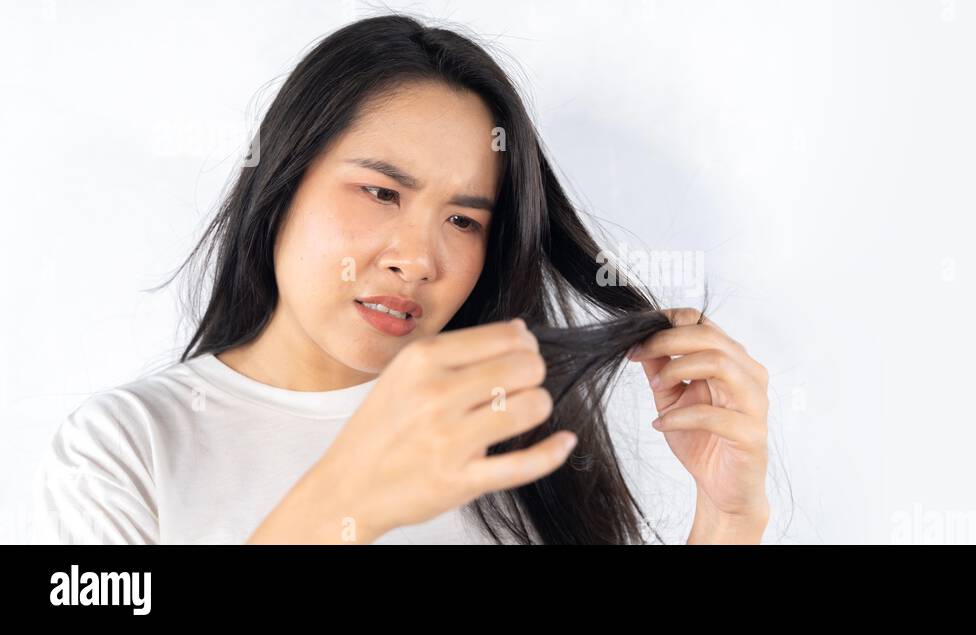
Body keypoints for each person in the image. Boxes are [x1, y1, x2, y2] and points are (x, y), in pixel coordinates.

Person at [29, 14, 769, 545]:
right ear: (280, 185)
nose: (418, 258)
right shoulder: (124, 449)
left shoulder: (519, 441)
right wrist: (341, 503)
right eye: (381, 192)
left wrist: (729, 522)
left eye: (464, 220)